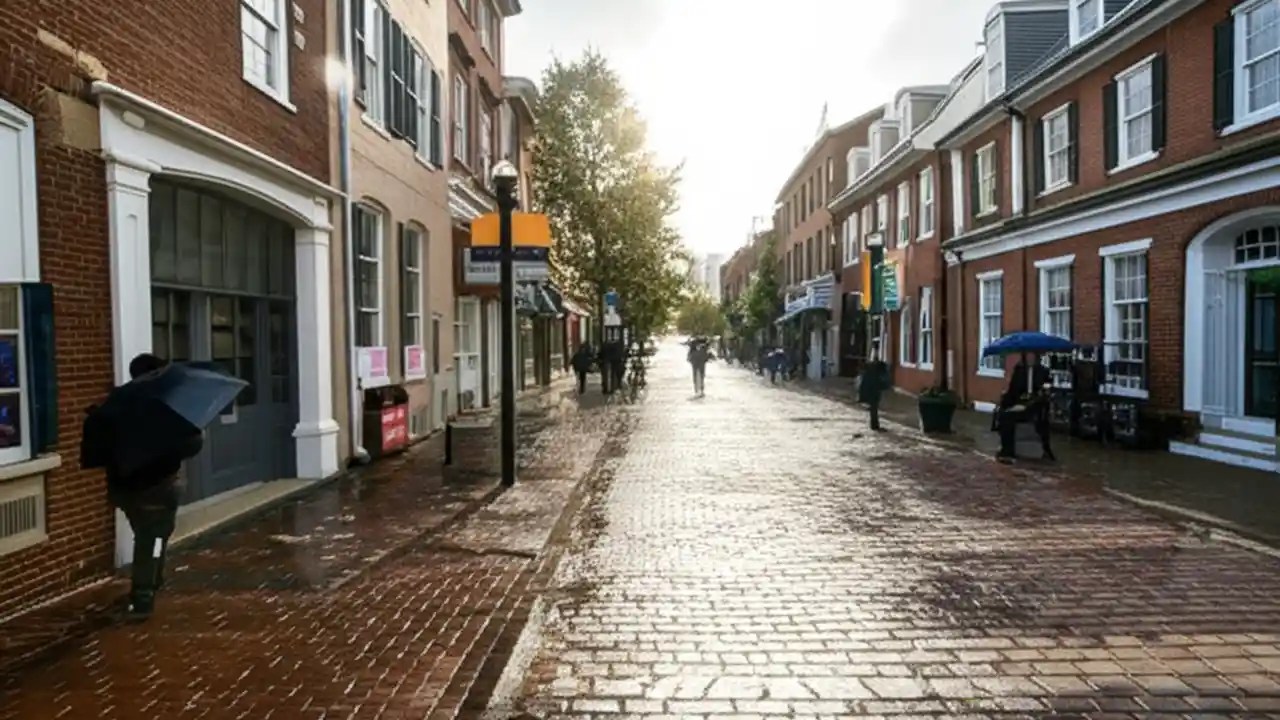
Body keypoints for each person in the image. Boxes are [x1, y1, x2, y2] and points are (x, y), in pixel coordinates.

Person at [82, 353, 202, 620]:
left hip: (124, 488)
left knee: (146, 535)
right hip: (158, 487)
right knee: (154, 539)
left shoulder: (118, 401)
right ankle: (144, 596)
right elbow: (192, 446)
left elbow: (101, 447)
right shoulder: (165, 407)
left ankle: (150, 581)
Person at [995, 358, 1055, 462]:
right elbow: (1012, 391)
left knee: (1039, 417)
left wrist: (1032, 402)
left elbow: (1046, 392)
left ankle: (1045, 449)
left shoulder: (1043, 371)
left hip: (1036, 406)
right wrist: (1007, 403)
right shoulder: (1019, 371)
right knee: (1003, 415)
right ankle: (1007, 450)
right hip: (1019, 404)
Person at [860, 352, 890, 432]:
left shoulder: (869, 367)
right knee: (874, 407)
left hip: (870, 389)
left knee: (873, 407)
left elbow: (864, 380)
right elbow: (883, 378)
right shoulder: (880, 367)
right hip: (875, 389)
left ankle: (874, 424)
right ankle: (874, 425)